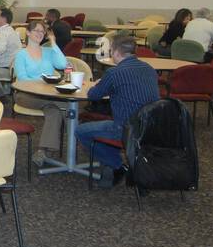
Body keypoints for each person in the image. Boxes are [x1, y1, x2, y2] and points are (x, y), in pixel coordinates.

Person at [76, 34, 159, 188]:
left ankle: (116, 165)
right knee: (104, 126)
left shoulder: (114, 73)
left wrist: (99, 84)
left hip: (125, 128)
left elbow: (93, 95)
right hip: (151, 126)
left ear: (115, 52)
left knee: (80, 131)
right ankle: (114, 163)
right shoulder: (149, 69)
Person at [12, 18, 69, 166]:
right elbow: (22, 79)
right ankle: (73, 127)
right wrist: (41, 84)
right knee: (64, 105)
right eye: (36, 30)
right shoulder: (21, 54)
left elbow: (62, 64)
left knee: (55, 111)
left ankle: (43, 150)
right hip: (26, 94)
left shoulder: (49, 51)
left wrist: (54, 43)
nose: (40, 33)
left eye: (42, 31)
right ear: (29, 33)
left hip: (48, 95)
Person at [0, 8, 22, 91]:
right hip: (12, 69)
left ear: (4, 19)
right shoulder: (11, 31)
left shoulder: (3, 33)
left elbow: (1, 48)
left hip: (3, 70)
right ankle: (0, 94)